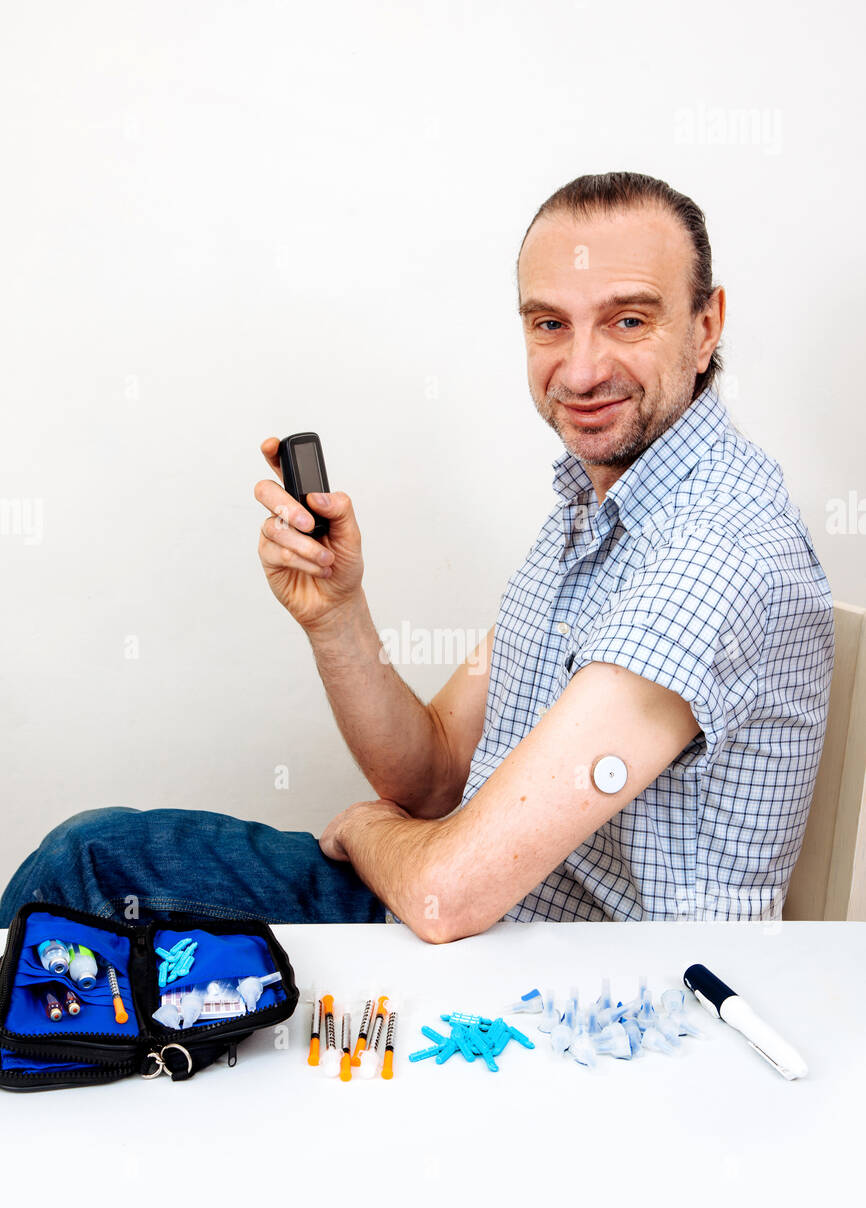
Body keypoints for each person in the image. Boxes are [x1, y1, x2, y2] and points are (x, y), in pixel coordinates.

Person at [0, 172, 833, 941]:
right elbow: (435, 775)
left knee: (86, 873)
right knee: (92, 862)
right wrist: (337, 618)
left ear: (705, 327)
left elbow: (447, 894)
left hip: (578, 989)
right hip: (487, 923)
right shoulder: (601, 509)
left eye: (628, 319)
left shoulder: (713, 552)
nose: (580, 369)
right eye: (550, 323)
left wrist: (367, 830)